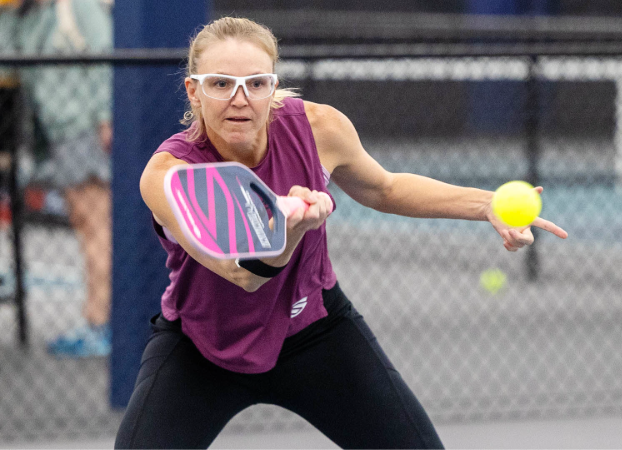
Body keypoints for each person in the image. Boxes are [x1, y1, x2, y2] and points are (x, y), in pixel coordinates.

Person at [116, 17, 568, 449]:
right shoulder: (169, 176)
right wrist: (292, 232)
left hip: (314, 332)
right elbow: (243, 274)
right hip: (202, 348)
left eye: (256, 83)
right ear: (193, 91)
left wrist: (486, 204)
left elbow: (384, 188)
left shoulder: (319, 129)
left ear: (273, 86)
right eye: (221, 84)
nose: (240, 99)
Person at [0, 0, 113, 357]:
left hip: (86, 128)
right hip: (59, 132)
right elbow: (7, 63)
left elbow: (105, 57)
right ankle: (98, 321)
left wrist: (106, 117)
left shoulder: (78, 7)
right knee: (86, 223)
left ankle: (100, 323)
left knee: (96, 225)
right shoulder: (27, 18)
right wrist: (3, 15)